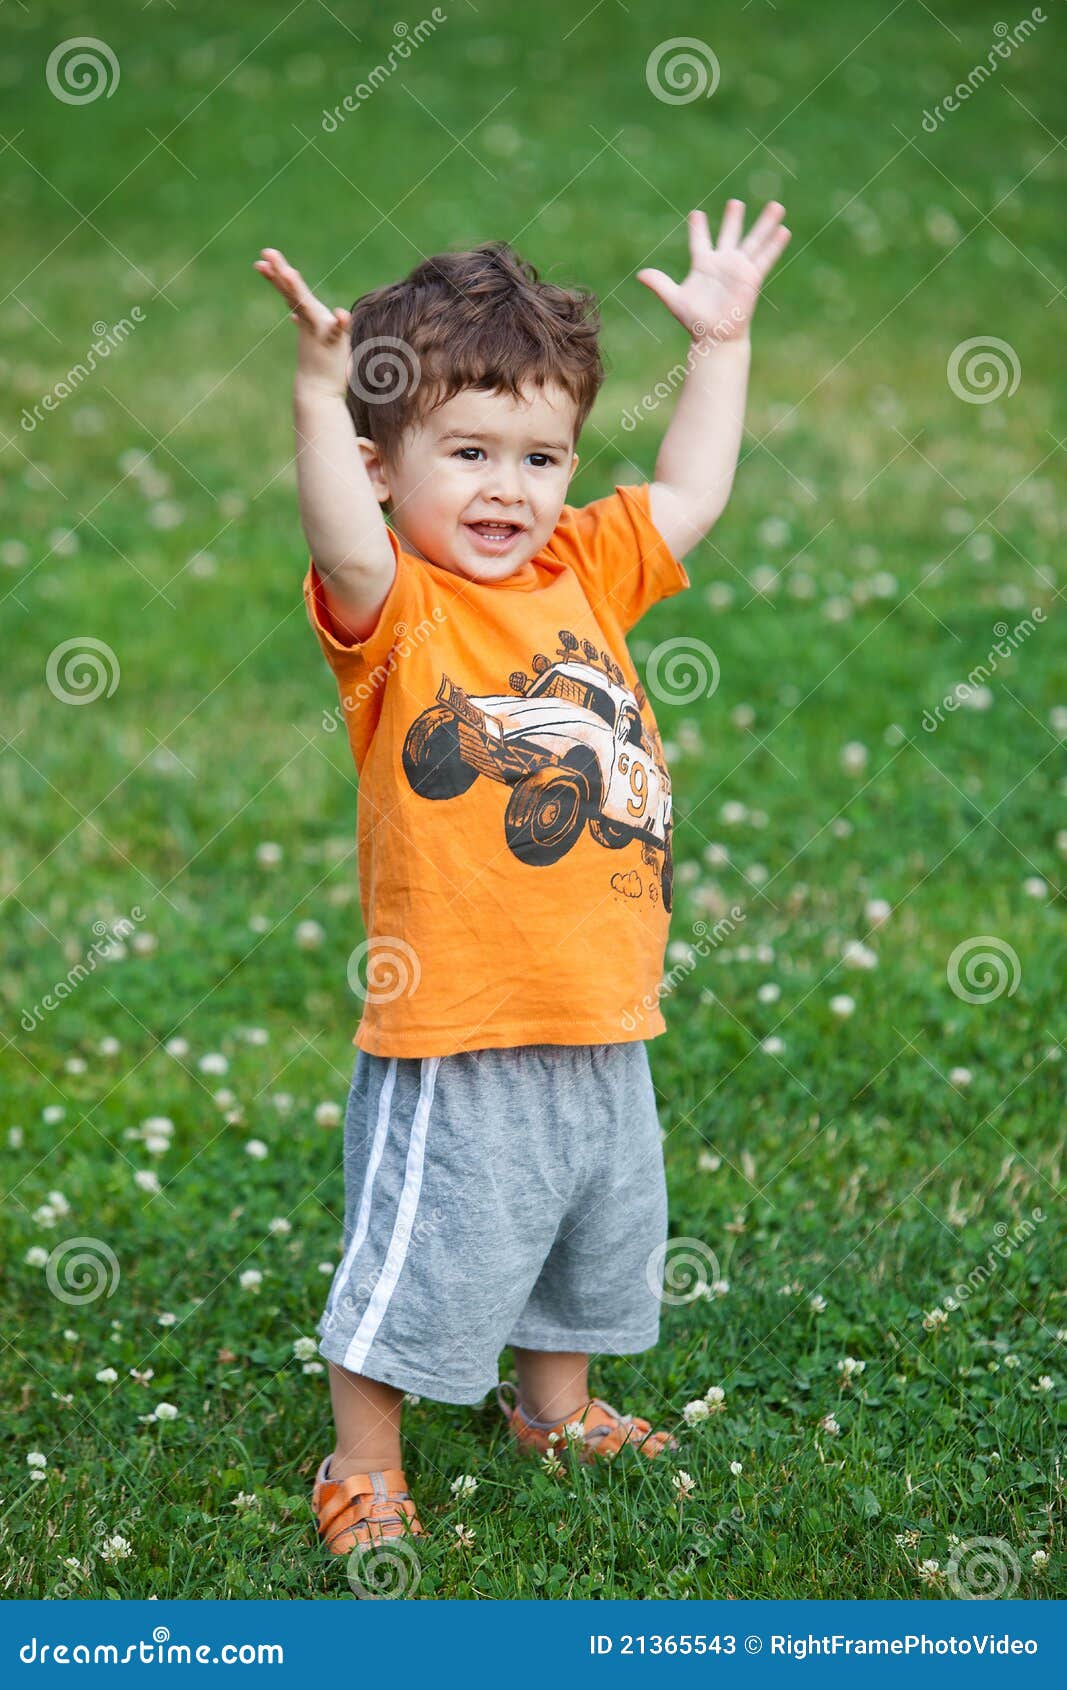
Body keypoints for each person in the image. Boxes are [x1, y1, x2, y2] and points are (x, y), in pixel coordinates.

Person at [254, 200, 790, 1557]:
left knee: (589, 1236)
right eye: (469, 452)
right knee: (421, 1257)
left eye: (540, 454)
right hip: (459, 1019)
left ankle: (555, 1408)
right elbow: (333, 536)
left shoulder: (582, 568)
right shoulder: (398, 607)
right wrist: (323, 397)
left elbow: (692, 492)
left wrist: (720, 345)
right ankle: (362, 1460)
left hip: (602, 1004)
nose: (509, 487)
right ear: (387, 467)